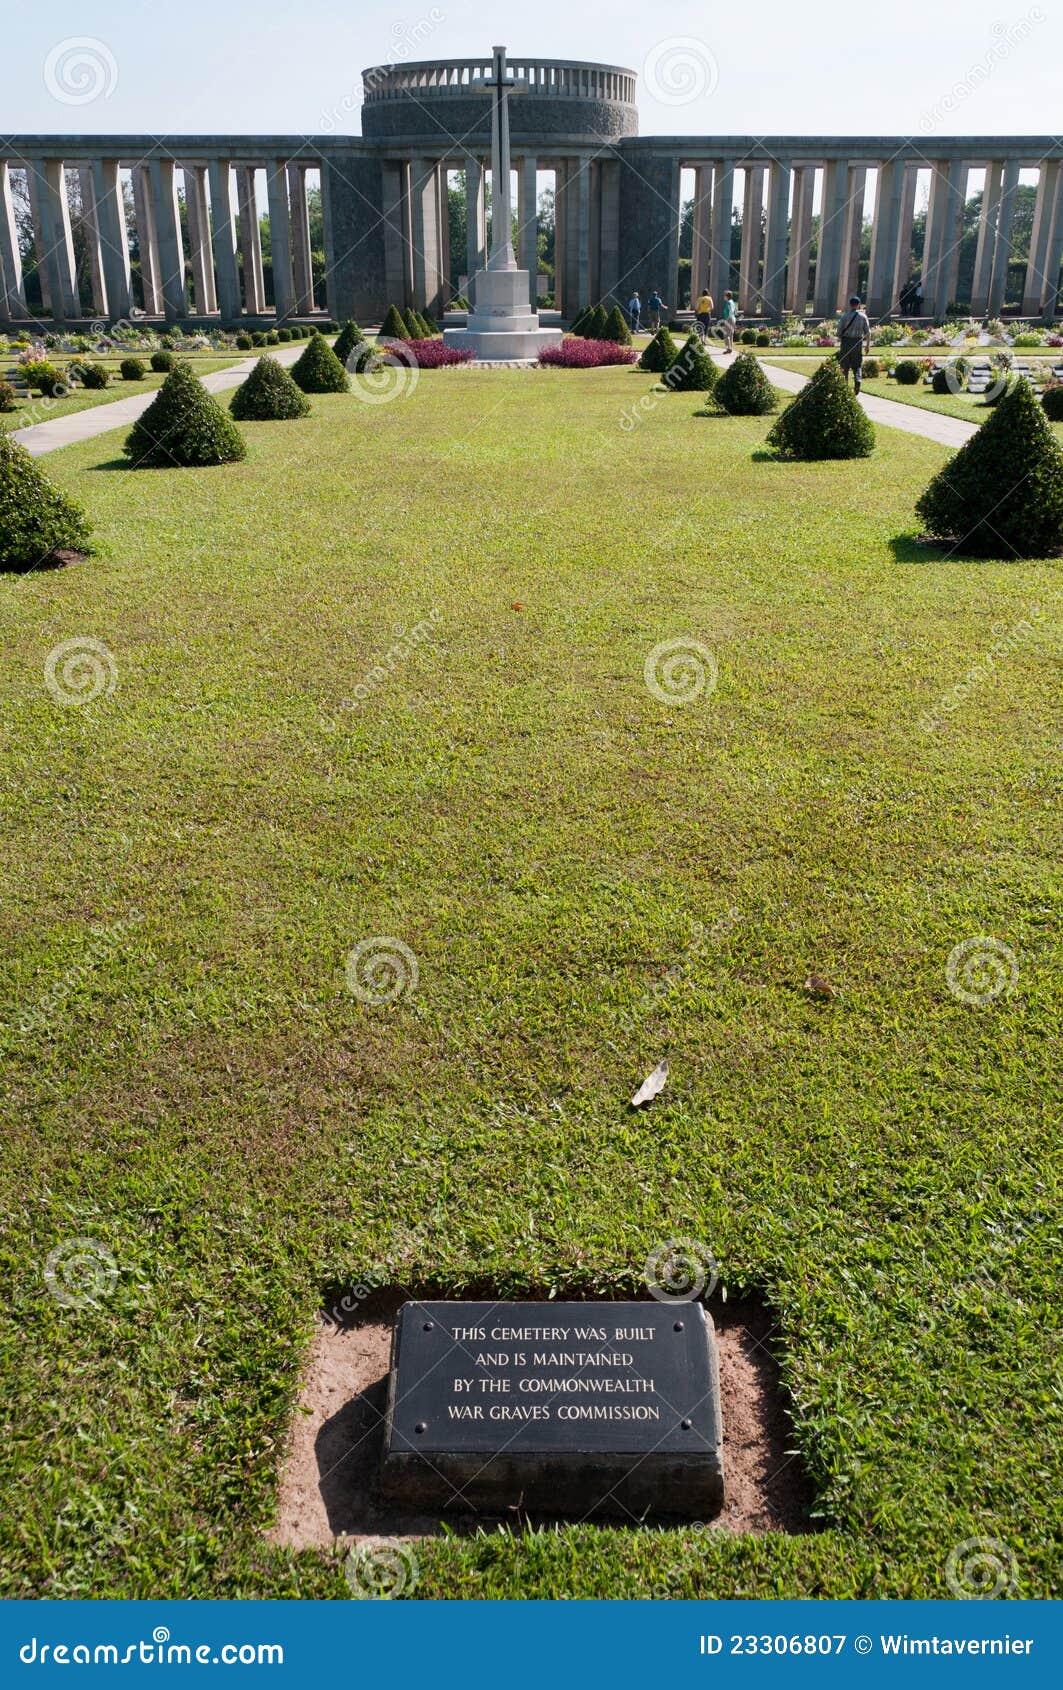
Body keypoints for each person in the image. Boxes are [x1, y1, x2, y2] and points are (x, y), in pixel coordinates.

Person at [837, 293, 871, 392]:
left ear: (850, 304)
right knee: (857, 366)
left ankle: (845, 388)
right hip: (857, 343)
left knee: (844, 366)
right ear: (858, 304)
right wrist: (867, 346)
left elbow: (839, 332)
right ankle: (858, 380)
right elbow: (868, 332)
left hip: (846, 342)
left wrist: (841, 340)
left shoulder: (844, 316)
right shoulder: (863, 316)